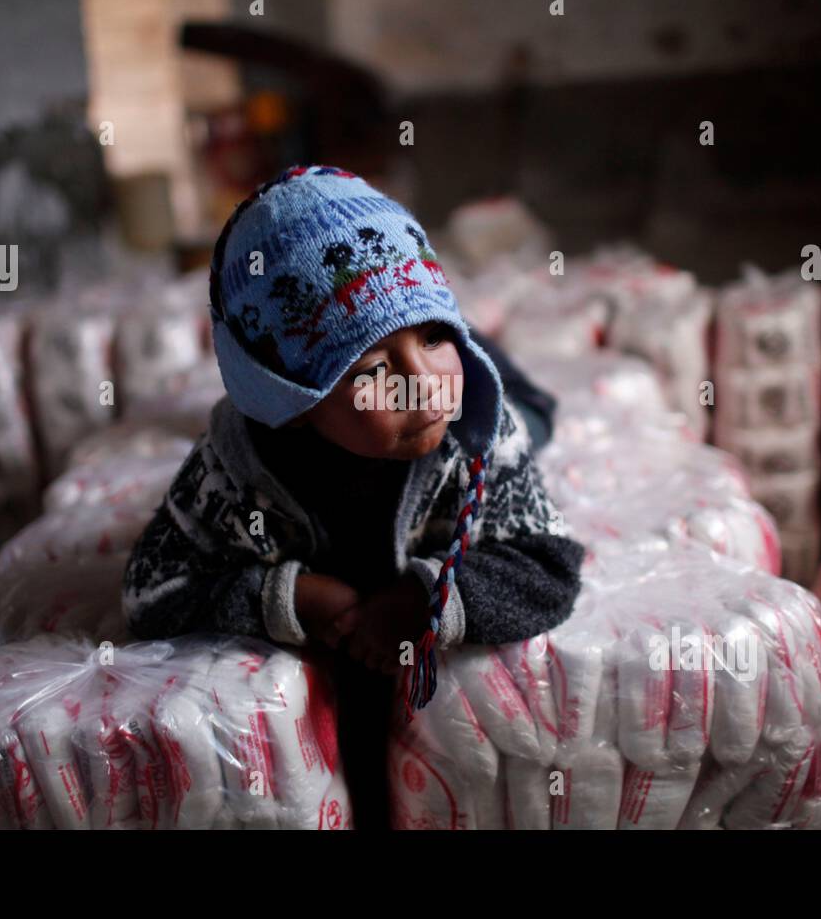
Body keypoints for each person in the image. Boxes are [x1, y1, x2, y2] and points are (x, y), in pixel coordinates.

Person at [121, 164, 583, 828]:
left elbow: (550, 568)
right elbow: (151, 589)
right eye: (372, 370)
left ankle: (473, 341)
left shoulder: (475, 430)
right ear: (294, 402)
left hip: (504, 405)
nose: (423, 387)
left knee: (529, 409)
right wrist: (290, 595)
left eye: (430, 338)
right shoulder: (234, 467)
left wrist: (420, 598)